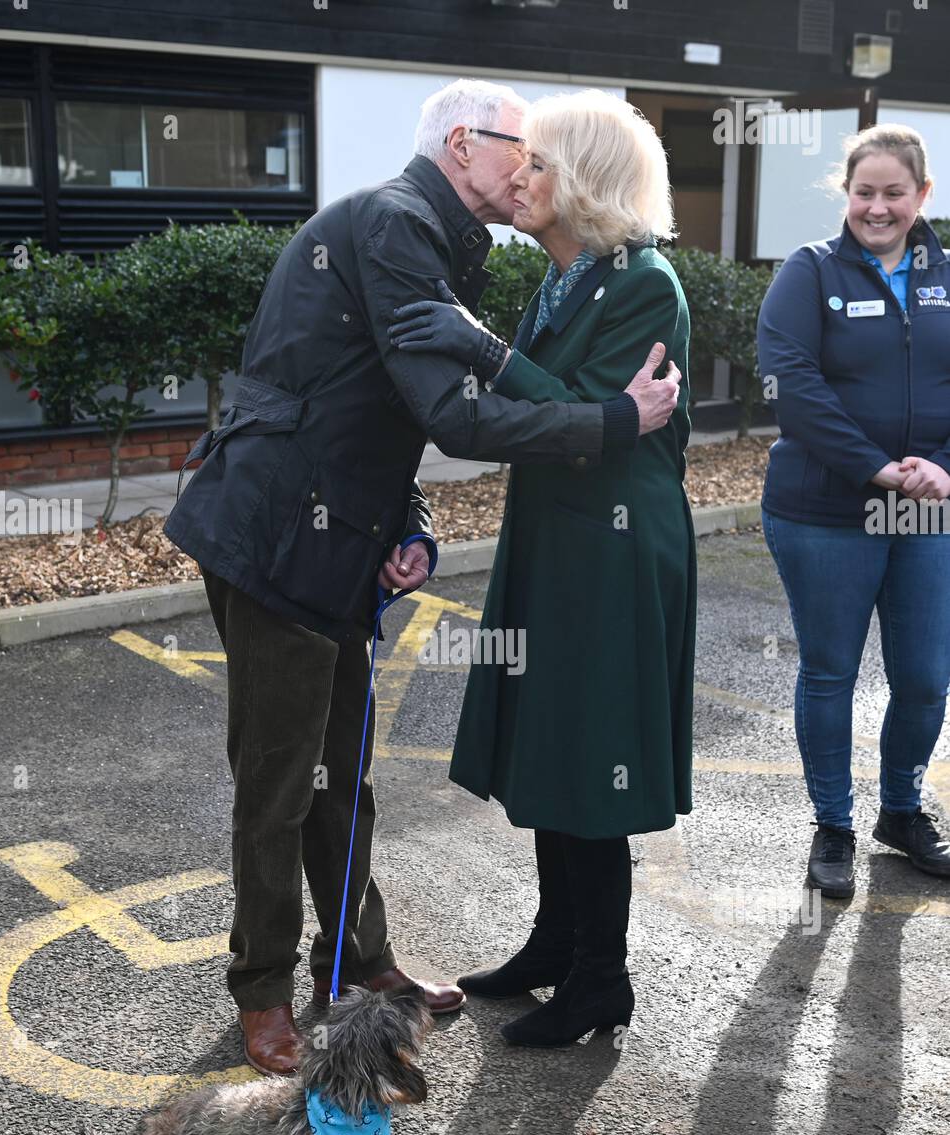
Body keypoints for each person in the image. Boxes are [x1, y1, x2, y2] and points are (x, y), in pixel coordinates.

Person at [164, 80, 678, 1074]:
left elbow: (377, 406)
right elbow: (450, 414)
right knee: (278, 786)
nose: (528, 171)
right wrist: (613, 421)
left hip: (341, 546)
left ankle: (360, 964)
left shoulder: (444, 240)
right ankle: (262, 994)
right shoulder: (396, 224)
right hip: (274, 542)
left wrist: (411, 520)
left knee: (339, 780)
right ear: (462, 143)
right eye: (517, 151)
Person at [390, 90, 694, 1047]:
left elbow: (584, 428)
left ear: (590, 182)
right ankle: (556, 944)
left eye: (540, 164)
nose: (518, 177)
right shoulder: (561, 283)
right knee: (551, 740)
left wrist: (482, 349)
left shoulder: (645, 283)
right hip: (556, 538)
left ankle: (603, 976)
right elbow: (540, 412)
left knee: (593, 749)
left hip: (609, 546)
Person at [757, 123, 950, 898]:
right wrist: (876, 469)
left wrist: (940, 470)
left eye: (893, 193)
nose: (877, 207)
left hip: (925, 509)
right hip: (825, 509)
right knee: (831, 673)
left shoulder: (946, 277)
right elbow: (791, 384)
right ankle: (832, 825)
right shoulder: (808, 273)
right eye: (864, 192)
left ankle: (901, 812)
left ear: (922, 196)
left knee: (928, 678)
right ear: (847, 193)